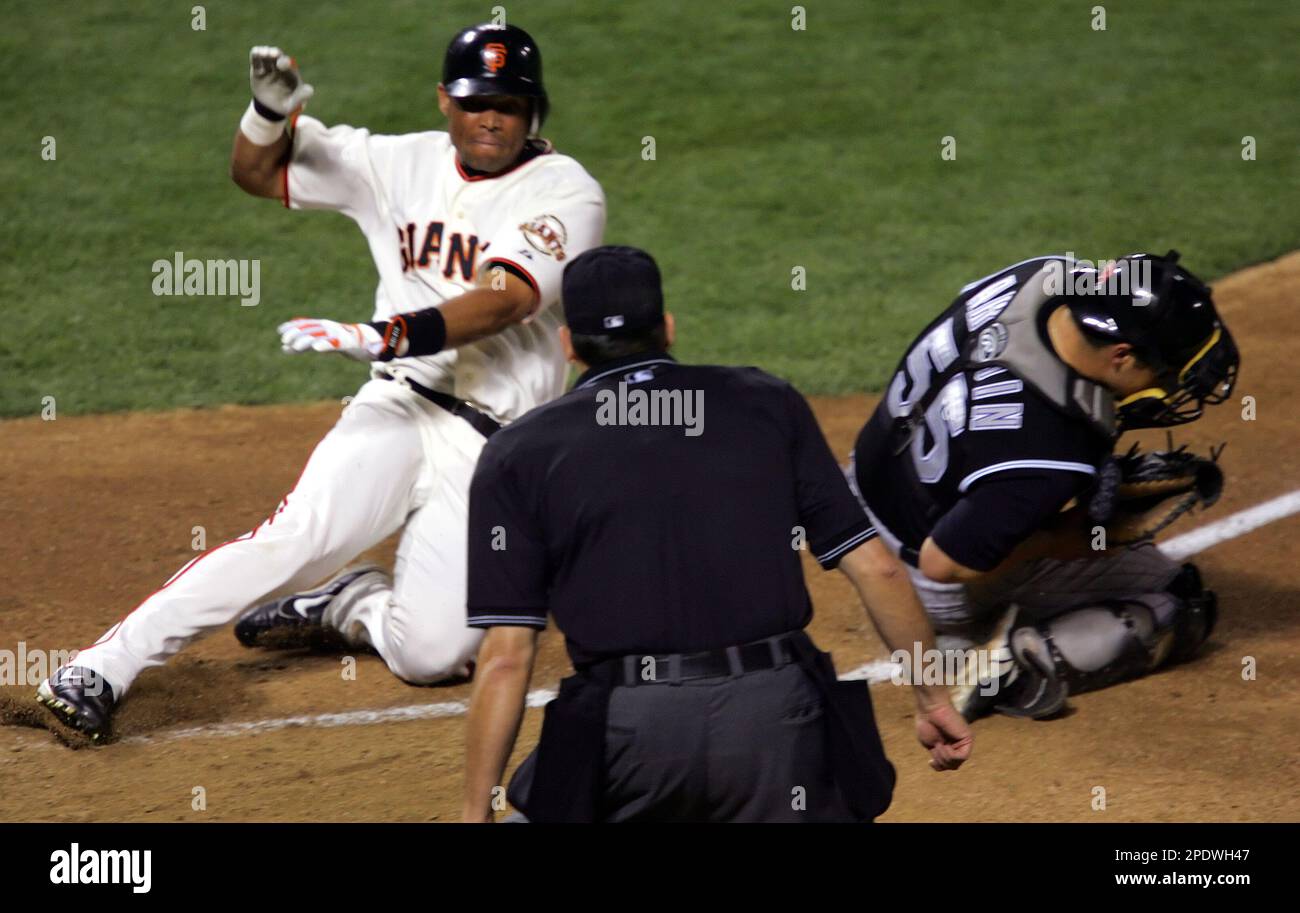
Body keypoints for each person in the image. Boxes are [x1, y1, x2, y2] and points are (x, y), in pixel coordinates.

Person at [37, 23, 606, 742]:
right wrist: (267, 116)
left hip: (492, 453)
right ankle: (99, 668)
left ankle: (351, 602)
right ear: (443, 100)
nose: (491, 117)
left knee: (435, 653)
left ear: (535, 110)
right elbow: (256, 172)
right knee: (293, 539)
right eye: (476, 100)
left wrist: (383, 334)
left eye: (511, 103)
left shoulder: (567, 192)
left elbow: (505, 299)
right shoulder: (392, 162)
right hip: (399, 405)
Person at [459, 246, 972, 823]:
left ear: (568, 346)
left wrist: (475, 812)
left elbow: (505, 657)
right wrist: (933, 697)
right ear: (668, 329)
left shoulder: (516, 453)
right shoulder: (767, 402)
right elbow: (875, 567)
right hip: (780, 725)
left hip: (630, 735)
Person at [848, 251, 1239, 719]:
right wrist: (1068, 538)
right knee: (1178, 601)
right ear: (1121, 355)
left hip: (872, 481)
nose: (1169, 386)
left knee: (1002, 489)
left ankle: (967, 619)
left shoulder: (1042, 276)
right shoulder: (1053, 449)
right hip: (926, 569)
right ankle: (1003, 662)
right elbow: (942, 562)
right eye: (1164, 372)